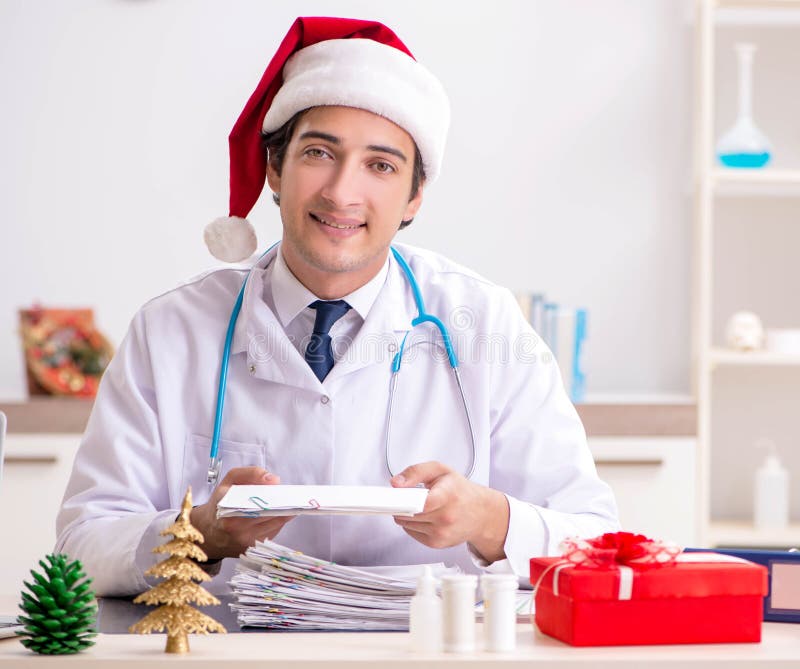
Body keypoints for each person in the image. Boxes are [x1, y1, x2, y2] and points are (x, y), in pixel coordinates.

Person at [56, 17, 618, 597]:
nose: (341, 192)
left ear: (414, 197)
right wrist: (202, 532)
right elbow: (80, 546)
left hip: (425, 642)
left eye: (381, 165)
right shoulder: (170, 330)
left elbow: (595, 541)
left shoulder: (485, 322)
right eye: (320, 153)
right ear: (275, 168)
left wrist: (489, 520)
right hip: (228, 643)